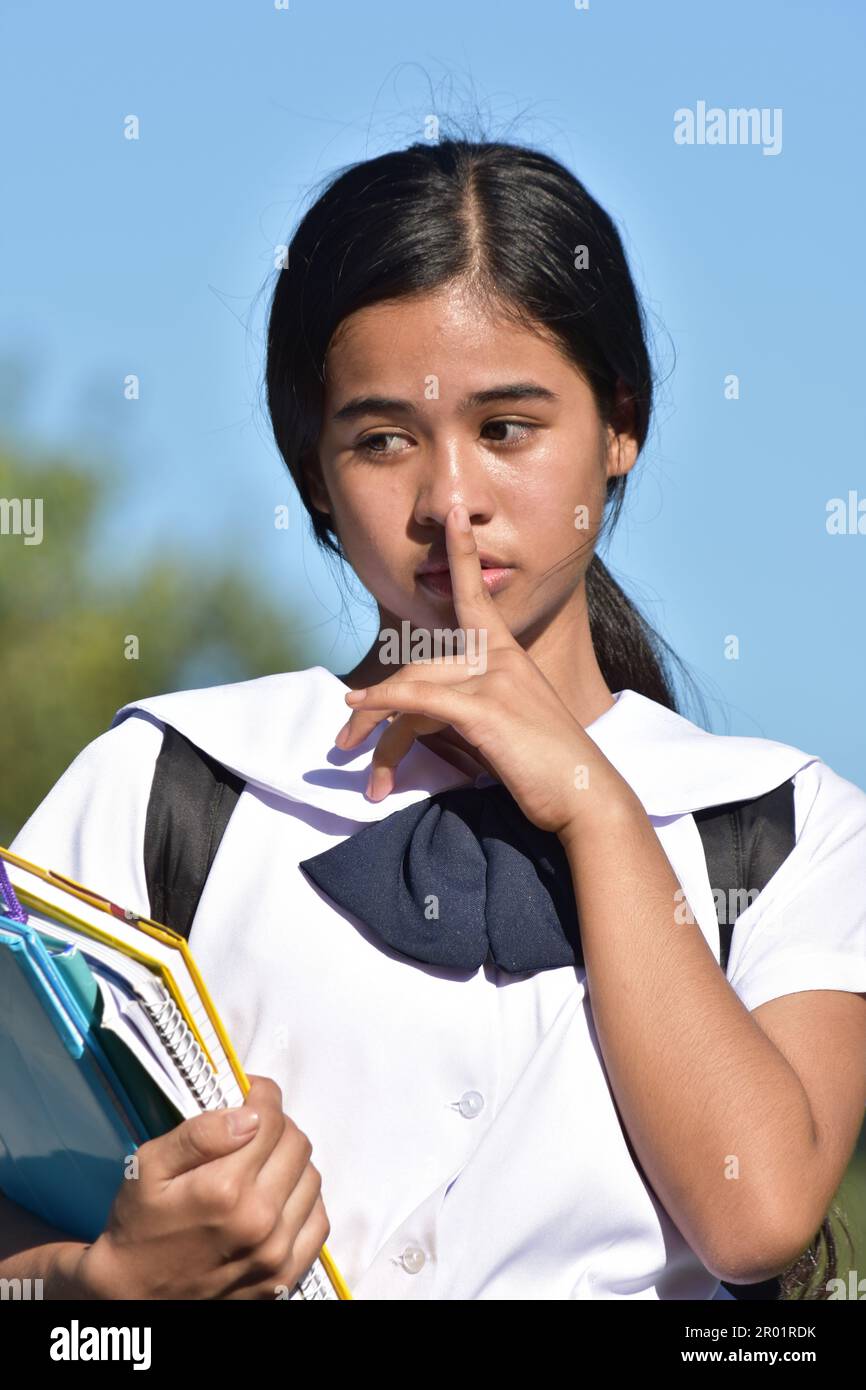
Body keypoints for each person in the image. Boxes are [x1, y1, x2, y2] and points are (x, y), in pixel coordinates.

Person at [2, 136, 865, 1300]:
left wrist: (591, 805)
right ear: (312, 469)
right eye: (380, 440)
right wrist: (97, 1289)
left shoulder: (778, 825)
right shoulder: (169, 783)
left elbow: (755, 1213)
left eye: (506, 428)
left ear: (620, 427)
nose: (447, 504)